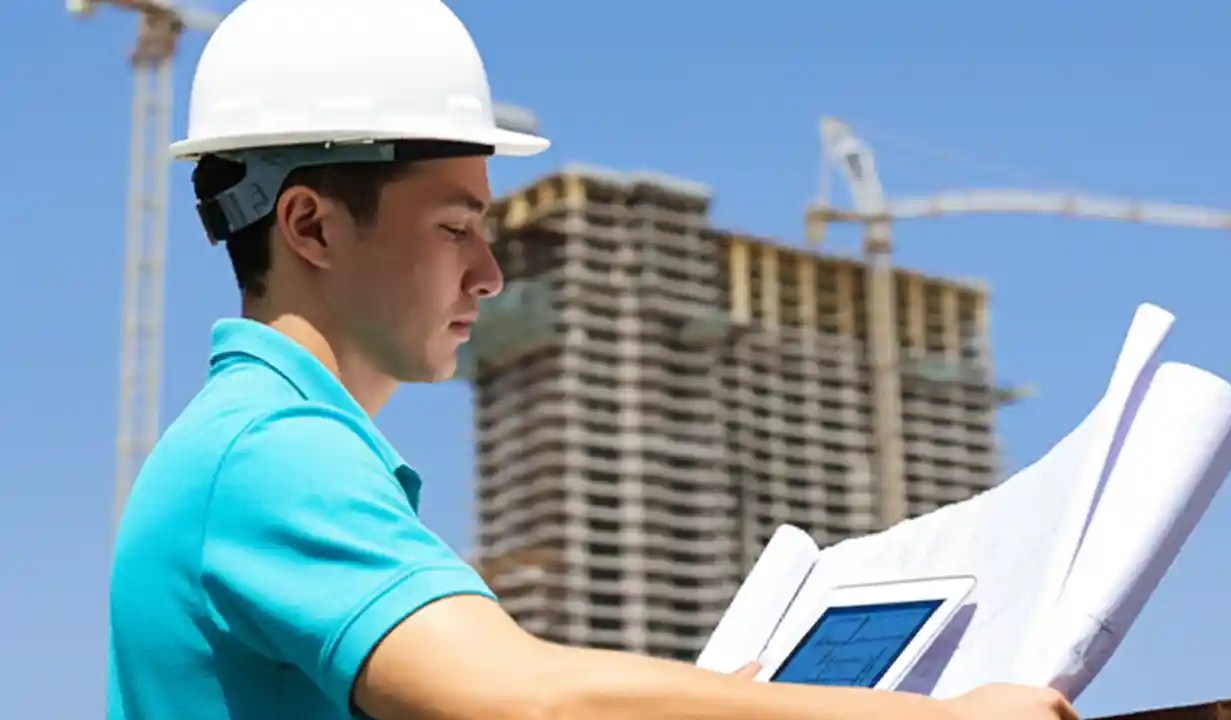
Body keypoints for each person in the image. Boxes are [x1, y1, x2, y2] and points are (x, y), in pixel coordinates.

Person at [105, 1, 1081, 718]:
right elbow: (531, 701)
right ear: (310, 226)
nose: (489, 274)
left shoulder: (261, 450)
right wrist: (944, 719)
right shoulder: (273, 454)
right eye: (455, 228)